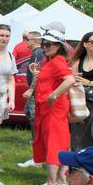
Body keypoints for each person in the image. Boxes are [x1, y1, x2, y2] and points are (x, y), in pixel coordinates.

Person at [33, 30, 76, 185]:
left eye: (48, 44)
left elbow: (70, 79)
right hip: (46, 108)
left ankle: (53, 182)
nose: (45, 47)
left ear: (58, 46)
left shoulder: (58, 61)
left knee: (55, 142)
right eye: (43, 43)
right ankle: (58, 179)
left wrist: (54, 94)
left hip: (54, 109)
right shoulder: (48, 60)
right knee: (56, 142)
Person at [17, 21, 63, 169]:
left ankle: (41, 161)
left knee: (45, 134)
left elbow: (67, 78)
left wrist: (33, 90)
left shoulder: (46, 55)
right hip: (44, 98)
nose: (45, 45)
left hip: (46, 101)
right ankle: (44, 162)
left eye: (27, 39)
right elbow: (41, 74)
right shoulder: (46, 56)